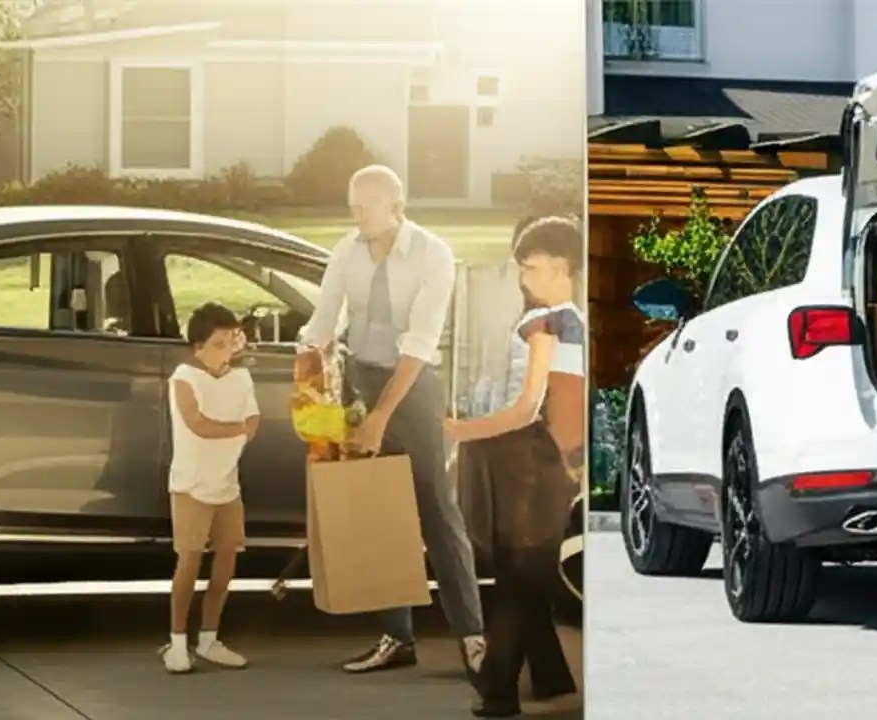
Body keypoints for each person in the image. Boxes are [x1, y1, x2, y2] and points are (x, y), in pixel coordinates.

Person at [298, 164, 486, 678]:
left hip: (414, 387)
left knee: (437, 512)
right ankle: (396, 638)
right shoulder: (346, 250)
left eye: (365, 206)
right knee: (379, 511)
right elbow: (322, 322)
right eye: (353, 205)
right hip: (360, 380)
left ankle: (473, 637)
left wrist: (382, 416)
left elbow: (420, 344)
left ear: (395, 207)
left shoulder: (433, 254)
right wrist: (310, 378)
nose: (356, 215)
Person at [445, 216, 584, 717]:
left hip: (527, 457)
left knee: (519, 574)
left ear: (557, 267)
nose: (523, 277)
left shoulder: (543, 323)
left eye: (529, 267)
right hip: (546, 461)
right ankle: (545, 678)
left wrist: (464, 431)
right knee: (527, 571)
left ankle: (500, 688)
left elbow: (528, 405)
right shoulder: (570, 321)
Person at [160, 302, 259, 674]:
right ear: (198, 346)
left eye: (230, 341)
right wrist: (237, 430)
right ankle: (177, 641)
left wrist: (242, 427)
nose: (226, 350)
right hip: (191, 486)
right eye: (217, 343)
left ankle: (209, 637)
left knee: (226, 561)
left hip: (227, 487)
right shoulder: (184, 378)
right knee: (189, 561)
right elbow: (197, 423)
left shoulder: (240, 378)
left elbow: (253, 417)